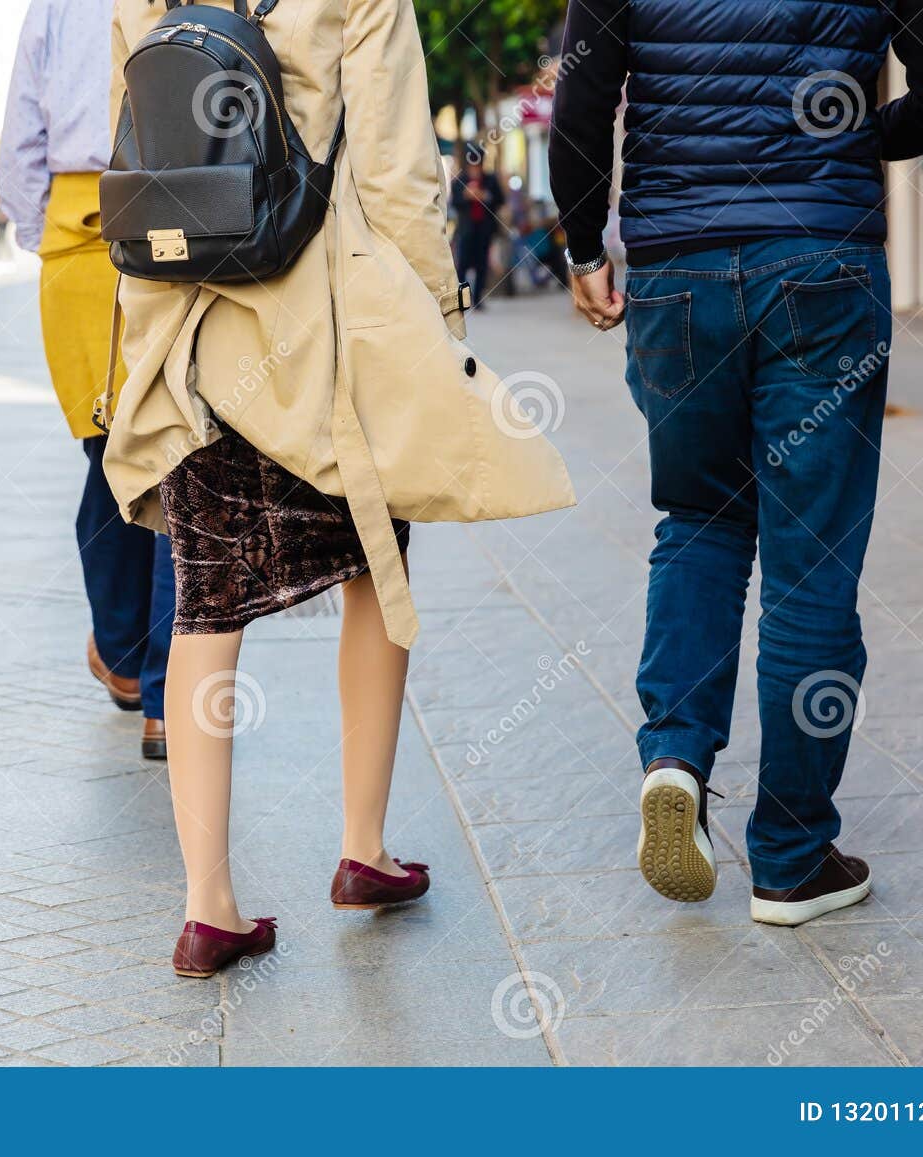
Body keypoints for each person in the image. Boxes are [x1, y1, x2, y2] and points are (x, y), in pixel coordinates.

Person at [104, 0, 573, 978]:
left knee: (206, 604)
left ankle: (206, 908)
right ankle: (363, 845)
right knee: (377, 561)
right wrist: (437, 328)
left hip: (189, 333)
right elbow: (397, 173)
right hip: (322, 332)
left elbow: (141, 146)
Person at [551, 0, 923, 926]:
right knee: (811, 568)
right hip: (821, 262)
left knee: (700, 522)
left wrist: (586, 242)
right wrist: (858, 140)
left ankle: (675, 759)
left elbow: (583, 99)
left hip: (678, 269)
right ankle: (790, 856)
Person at [0, 0, 173, 762]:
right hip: (180, 212)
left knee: (105, 453)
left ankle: (126, 652)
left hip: (81, 218)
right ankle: (164, 700)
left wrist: (54, 239)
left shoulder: (57, 7)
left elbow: (19, 149)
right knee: (178, 460)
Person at [450, 152, 504, 307]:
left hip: (484, 229)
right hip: (466, 229)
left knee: (482, 264)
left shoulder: (490, 180)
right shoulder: (460, 182)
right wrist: (466, 196)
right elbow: (454, 202)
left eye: (478, 167)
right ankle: (462, 299)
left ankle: (478, 298)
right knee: (463, 264)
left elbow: (499, 199)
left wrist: (484, 196)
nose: (475, 170)